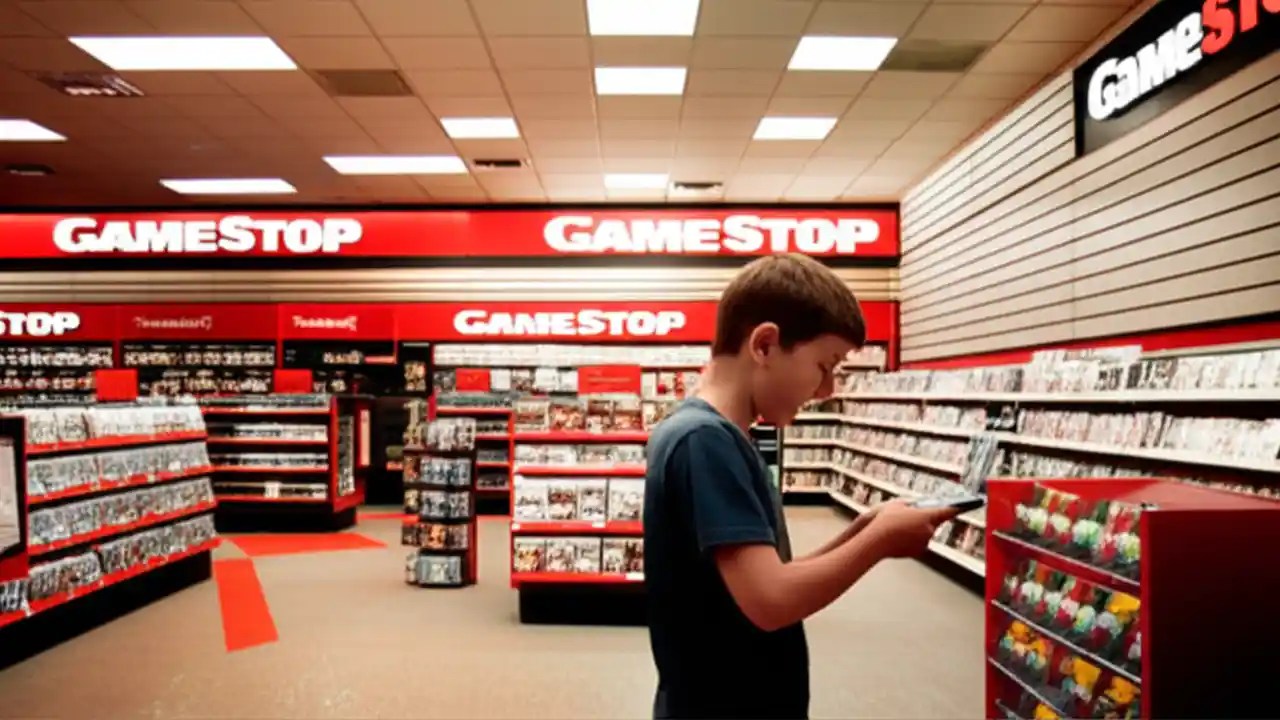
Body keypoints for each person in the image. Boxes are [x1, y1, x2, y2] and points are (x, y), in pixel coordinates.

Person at [643, 254, 962, 720]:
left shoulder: (718, 436)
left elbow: (766, 574)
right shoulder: (705, 442)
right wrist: (878, 542)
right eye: (824, 364)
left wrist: (860, 531)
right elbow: (771, 601)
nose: (827, 388)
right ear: (765, 345)